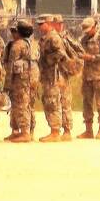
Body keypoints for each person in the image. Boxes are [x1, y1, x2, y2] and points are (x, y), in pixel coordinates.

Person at [78, 16, 100, 139]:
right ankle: (88, 130)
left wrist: (92, 57)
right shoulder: (83, 40)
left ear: (94, 27)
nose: (87, 32)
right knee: (87, 104)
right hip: (87, 76)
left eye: (89, 30)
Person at [36, 14, 68, 143]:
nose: (39, 27)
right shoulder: (45, 38)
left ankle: (55, 132)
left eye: (41, 24)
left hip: (53, 75)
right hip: (47, 75)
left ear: (48, 23)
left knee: (53, 102)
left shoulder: (53, 37)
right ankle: (54, 130)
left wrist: (48, 60)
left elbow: (61, 53)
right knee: (49, 101)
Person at [4, 20, 34, 142]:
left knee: (21, 105)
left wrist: (7, 84)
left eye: (14, 31)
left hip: (19, 81)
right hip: (27, 79)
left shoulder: (17, 46)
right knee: (20, 105)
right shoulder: (29, 43)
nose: (12, 34)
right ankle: (18, 131)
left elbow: (11, 66)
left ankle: (25, 132)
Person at [53, 15, 79, 140]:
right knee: (54, 102)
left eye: (60, 23)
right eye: (57, 23)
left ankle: (67, 130)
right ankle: (55, 130)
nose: (59, 25)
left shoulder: (65, 38)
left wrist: (71, 67)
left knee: (65, 101)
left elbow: (77, 52)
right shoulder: (52, 37)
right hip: (53, 73)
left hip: (63, 73)